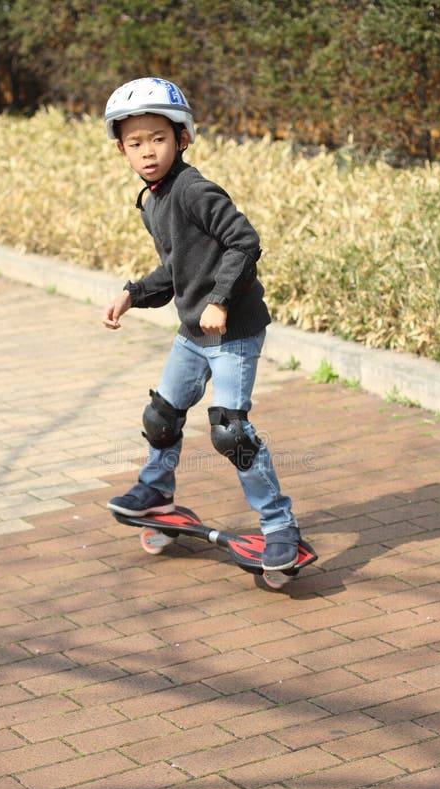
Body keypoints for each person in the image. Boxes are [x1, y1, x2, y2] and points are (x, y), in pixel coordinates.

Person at [102, 76, 301, 570]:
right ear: (123, 151)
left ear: (182, 138)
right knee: (162, 416)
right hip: (194, 332)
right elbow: (175, 269)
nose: (147, 151)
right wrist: (133, 293)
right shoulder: (153, 199)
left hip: (231, 331)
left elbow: (244, 242)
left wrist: (220, 300)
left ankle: (279, 526)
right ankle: (156, 493)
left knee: (232, 432)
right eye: (135, 142)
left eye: (158, 138)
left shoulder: (192, 189)